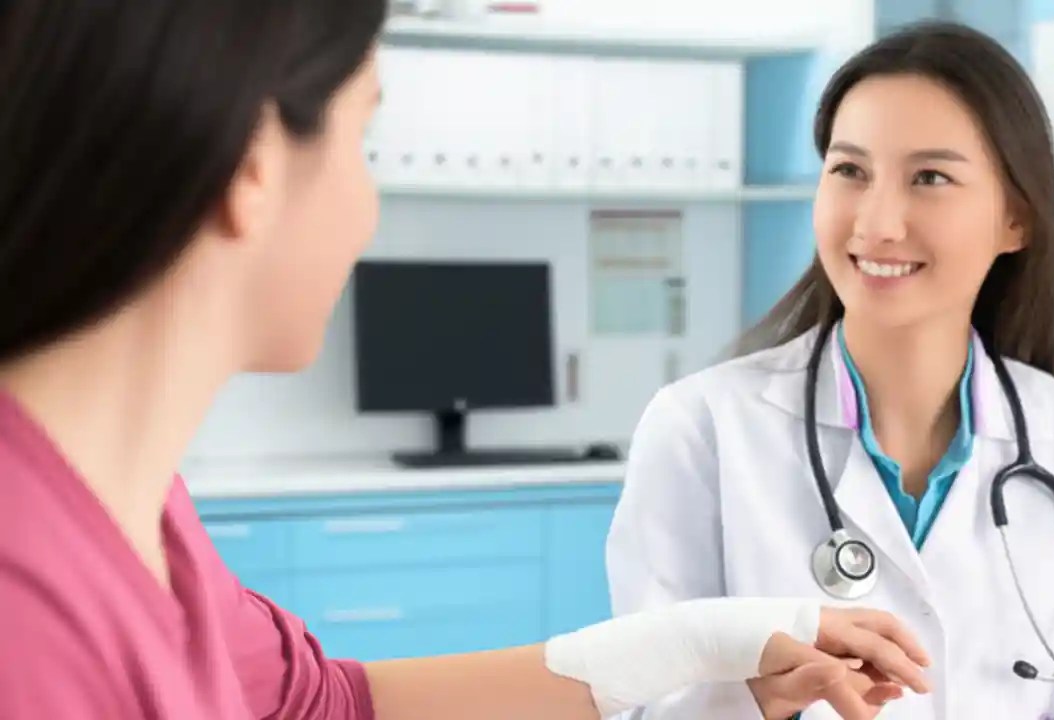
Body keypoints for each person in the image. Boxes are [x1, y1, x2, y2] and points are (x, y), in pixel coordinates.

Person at [0, 1, 934, 718]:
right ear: (252, 165)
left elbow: (318, 703)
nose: (368, 209)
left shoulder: (139, 519)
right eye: (361, 140)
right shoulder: (28, 621)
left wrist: (706, 644)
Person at [606, 21, 1054, 720]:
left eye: (930, 177)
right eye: (850, 171)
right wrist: (753, 702)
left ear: (1015, 221)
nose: (877, 222)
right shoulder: (703, 430)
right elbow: (639, 706)